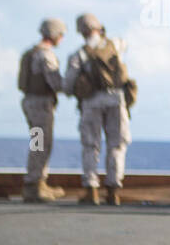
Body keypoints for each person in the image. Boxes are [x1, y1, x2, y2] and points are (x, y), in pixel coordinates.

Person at [63, 13, 132, 206]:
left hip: (91, 101)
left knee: (90, 145)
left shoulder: (80, 54)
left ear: (81, 32)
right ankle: (113, 191)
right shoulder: (115, 44)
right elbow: (125, 46)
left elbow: (68, 85)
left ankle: (91, 190)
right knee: (117, 145)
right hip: (116, 100)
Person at [17, 18, 67, 203]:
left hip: (32, 102)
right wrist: (73, 86)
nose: (62, 39)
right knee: (40, 144)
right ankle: (33, 185)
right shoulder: (46, 55)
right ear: (54, 34)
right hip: (40, 105)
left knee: (39, 142)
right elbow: (56, 82)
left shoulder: (31, 52)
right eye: (61, 34)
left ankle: (39, 183)